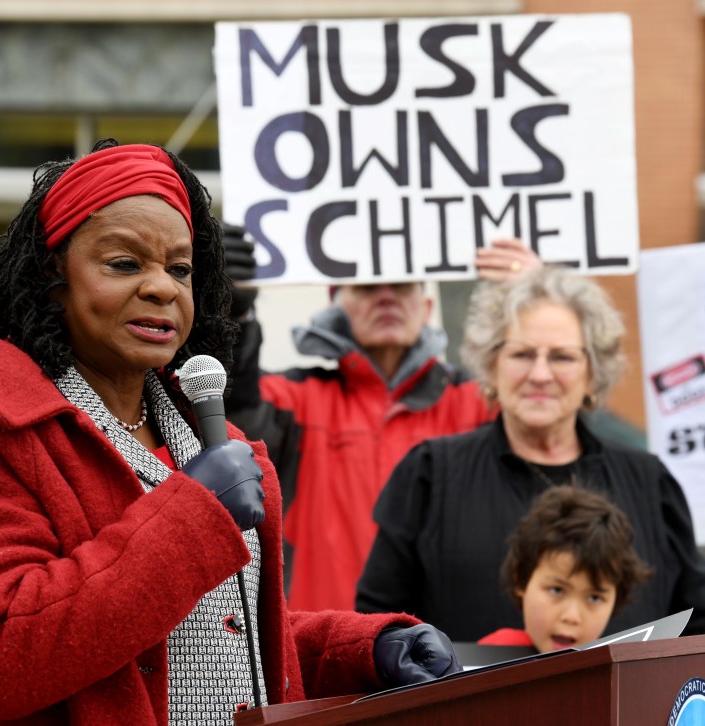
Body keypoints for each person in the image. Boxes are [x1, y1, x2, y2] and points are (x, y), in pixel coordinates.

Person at [0, 139, 463, 725]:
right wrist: (194, 513)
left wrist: (364, 649)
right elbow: (1, 653)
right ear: (53, 275)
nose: (163, 288)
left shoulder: (201, 430)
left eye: (179, 268)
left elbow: (211, 641)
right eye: (125, 263)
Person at [356, 266, 705, 641]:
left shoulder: (649, 483)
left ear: (593, 373)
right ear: (491, 366)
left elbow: (694, 623)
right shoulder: (430, 474)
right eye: (522, 354)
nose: (540, 374)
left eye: (562, 357)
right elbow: (377, 627)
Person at [224, 226, 540, 612]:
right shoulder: (295, 398)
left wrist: (535, 300)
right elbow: (233, 411)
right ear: (335, 302)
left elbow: (553, 413)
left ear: (426, 307)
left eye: (403, 284)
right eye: (368, 286)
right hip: (324, 652)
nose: (386, 296)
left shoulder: (477, 401)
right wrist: (230, 311)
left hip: (458, 656)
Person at [478, 485, 653, 651]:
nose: (571, 617)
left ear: (616, 599)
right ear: (521, 580)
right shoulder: (477, 668)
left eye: (594, 598)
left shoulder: (624, 676)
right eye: (556, 590)